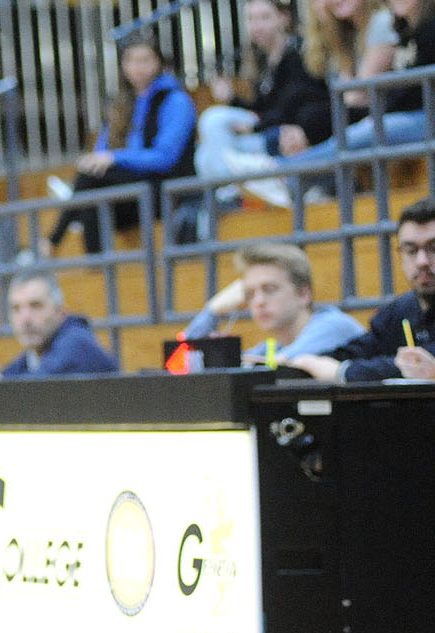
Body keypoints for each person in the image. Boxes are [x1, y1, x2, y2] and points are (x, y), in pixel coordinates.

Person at [45, 35, 196, 254]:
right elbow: (101, 153)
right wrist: (98, 160)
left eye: (145, 60)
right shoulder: (122, 104)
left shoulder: (176, 100)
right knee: (91, 190)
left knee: (90, 181)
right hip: (130, 195)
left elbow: (165, 158)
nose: (138, 67)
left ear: (159, 63)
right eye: (131, 60)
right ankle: (98, 270)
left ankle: (52, 241)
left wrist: (115, 158)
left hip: (164, 191)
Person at [284, 0, 435, 174]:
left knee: (354, 132)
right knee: (318, 117)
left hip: (420, 117)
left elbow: (408, 91)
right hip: (400, 114)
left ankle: (283, 171)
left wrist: (375, 113)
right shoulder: (405, 31)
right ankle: (285, 172)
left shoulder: (422, 29)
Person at [192, 0, 331, 209]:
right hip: (269, 129)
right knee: (203, 154)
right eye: (251, 19)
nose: (257, 25)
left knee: (213, 119)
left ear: (283, 18)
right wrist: (232, 99)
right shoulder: (261, 60)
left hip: (291, 131)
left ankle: (233, 191)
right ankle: (235, 189)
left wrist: (256, 123)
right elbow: (264, 108)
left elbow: (294, 104)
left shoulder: (297, 53)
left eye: (264, 17)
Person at [288, 196, 435, 383]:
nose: (422, 261)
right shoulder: (399, 310)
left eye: (433, 248)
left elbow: (417, 364)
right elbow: (357, 352)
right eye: (411, 250)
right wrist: (297, 362)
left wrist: (343, 372)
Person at [179, 242, 365, 363]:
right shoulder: (272, 348)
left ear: (303, 294)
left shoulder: (333, 325)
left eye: (269, 289)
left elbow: (279, 365)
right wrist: (213, 310)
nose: (258, 302)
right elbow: (180, 361)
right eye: (250, 293)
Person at [0, 271, 119, 379]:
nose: (25, 318)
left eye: (36, 306)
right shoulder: (36, 353)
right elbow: (9, 377)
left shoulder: (77, 342)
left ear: (60, 312)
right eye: (16, 309)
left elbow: (37, 386)